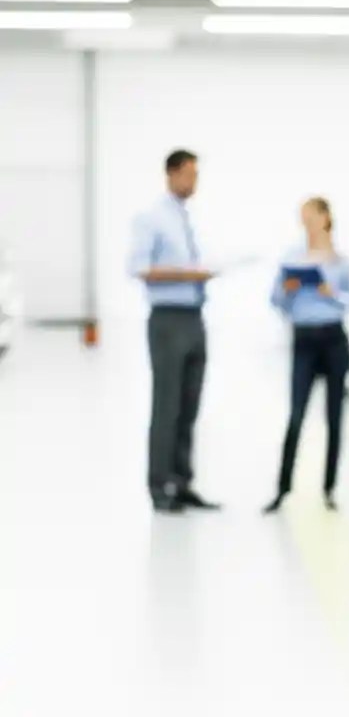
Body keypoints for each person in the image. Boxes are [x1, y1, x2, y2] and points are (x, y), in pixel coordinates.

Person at [129, 149, 221, 514]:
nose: (194, 183)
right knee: (166, 405)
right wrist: (190, 274)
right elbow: (139, 267)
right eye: (189, 175)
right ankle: (159, 485)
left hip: (195, 316)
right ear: (171, 174)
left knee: (189, 404)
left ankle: (182, 481)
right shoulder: (152, 218)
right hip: (167, 318)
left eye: (197, 175)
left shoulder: (185, 218)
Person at [264, 197, 349, 514]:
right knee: (296, 415)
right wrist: (288, 289)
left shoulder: (340, 261)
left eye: (311, 217)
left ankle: (329, 488)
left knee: (334, 418)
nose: (306, 223)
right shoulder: (292, 257)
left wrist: (331, 293)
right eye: (302, 217)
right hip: (303, 338)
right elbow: (276, 300)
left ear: (325, 218)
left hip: (333, 339)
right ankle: (282, 489)